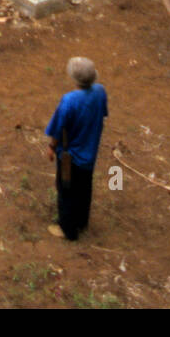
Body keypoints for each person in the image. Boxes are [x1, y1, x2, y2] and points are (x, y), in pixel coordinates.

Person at [45, 56, 108, 241]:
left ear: (74, 78)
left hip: (71, 156)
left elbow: (58, 129)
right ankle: (81, 221)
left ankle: (68, 229)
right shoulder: (100, 91)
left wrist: (51, 147)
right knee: (84, 188)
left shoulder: (69, 101)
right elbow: (102, 114)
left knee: (66, 191)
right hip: (90, 152)